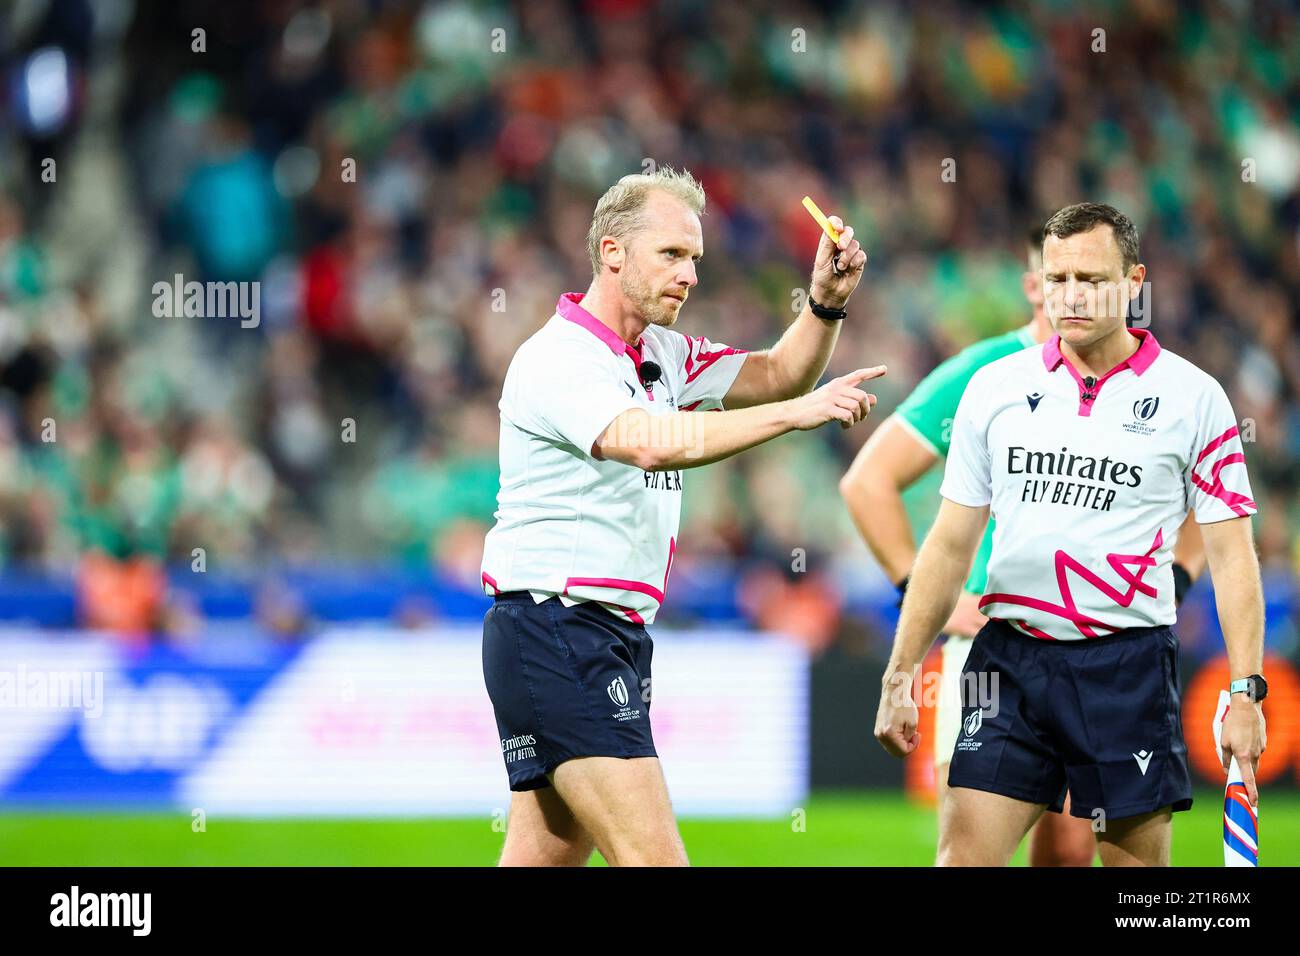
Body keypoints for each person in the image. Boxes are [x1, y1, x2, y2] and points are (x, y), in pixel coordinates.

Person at [480, 167, 881, 866]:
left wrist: (822, 306)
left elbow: (777, 373)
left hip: (599, 631)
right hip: (559, 626)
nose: (690, 274)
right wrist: (791, 417)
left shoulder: (662, 353)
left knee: (539, 859)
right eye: (671, 254)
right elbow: (646, 442)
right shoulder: (557, 358)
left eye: (695, 257)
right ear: (612, 252)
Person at [873, 202, 1267, 866]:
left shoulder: (1195, 398)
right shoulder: (993, 388)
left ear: (1134, 283)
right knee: (960, 861)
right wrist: (900, 670)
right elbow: (948, 543)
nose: (1071, 295)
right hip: (1010, 665)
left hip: (1128, 668)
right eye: (1057, 280)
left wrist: (1246, 692)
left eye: (1090, 278)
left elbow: (1232, 557)